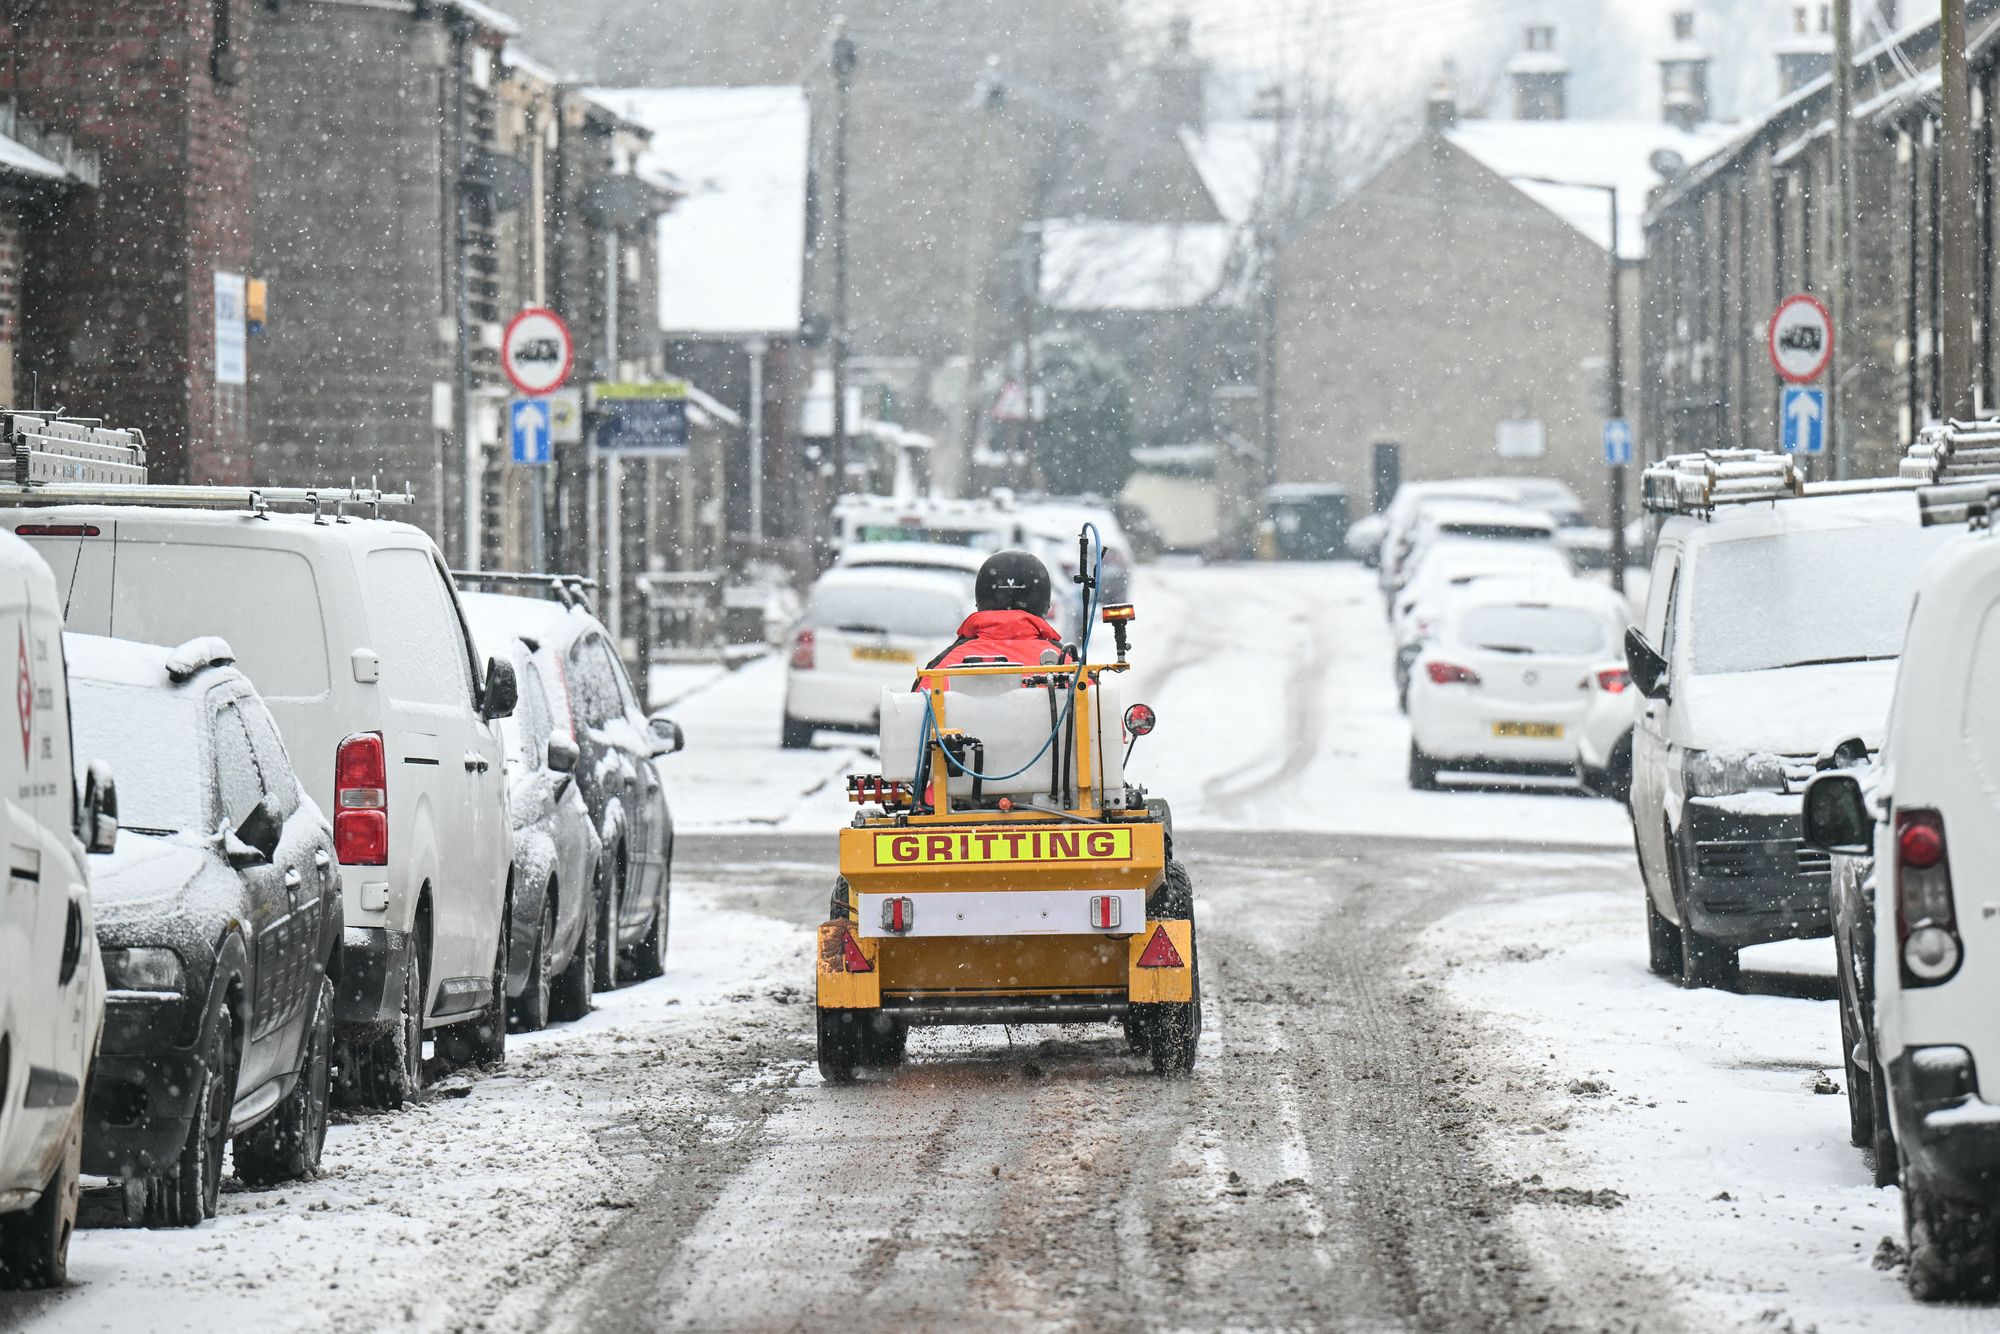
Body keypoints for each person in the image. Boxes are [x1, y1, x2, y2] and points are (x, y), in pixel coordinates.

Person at [917, 549, 1065, 686]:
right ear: (1044, 600)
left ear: (981, 596)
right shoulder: (1065, 664)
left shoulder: (942, 668)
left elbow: (920, 702)